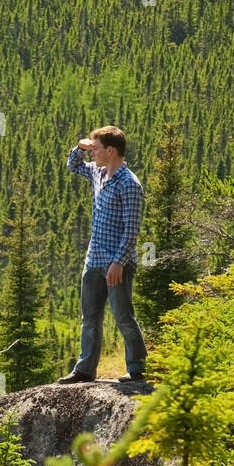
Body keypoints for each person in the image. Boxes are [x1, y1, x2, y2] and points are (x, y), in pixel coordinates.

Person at [57, 126, 148, 384]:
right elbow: (73, 165)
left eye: (96, 149)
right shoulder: (98, 173)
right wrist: (82, 146)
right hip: (93, 260)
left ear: (111, 151)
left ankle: (138, 369)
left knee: (122, 316)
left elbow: (132, 231)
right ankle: (84, 370)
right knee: (90, 317)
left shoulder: (129, 184)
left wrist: (118, 263)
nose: (92, 153)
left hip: (116, 264)